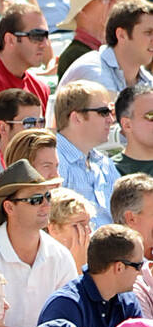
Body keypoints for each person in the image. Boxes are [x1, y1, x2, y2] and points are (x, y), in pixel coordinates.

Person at [0, 160, 76, 327]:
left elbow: (70, 318)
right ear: (9, 207)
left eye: (48, 196)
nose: (46, 205)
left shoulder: (60, 255)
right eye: (35, 200)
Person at [38, 225, 144, 327]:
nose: (141, 273)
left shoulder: (128, 301)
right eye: (138, 265)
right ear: (119, 267)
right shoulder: (66, 305)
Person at [52, 79, 120, 226]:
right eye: (104, 112)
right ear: (76, 117)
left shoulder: (104, 162)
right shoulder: (52, 161)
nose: (111, 119)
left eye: (111, 112)